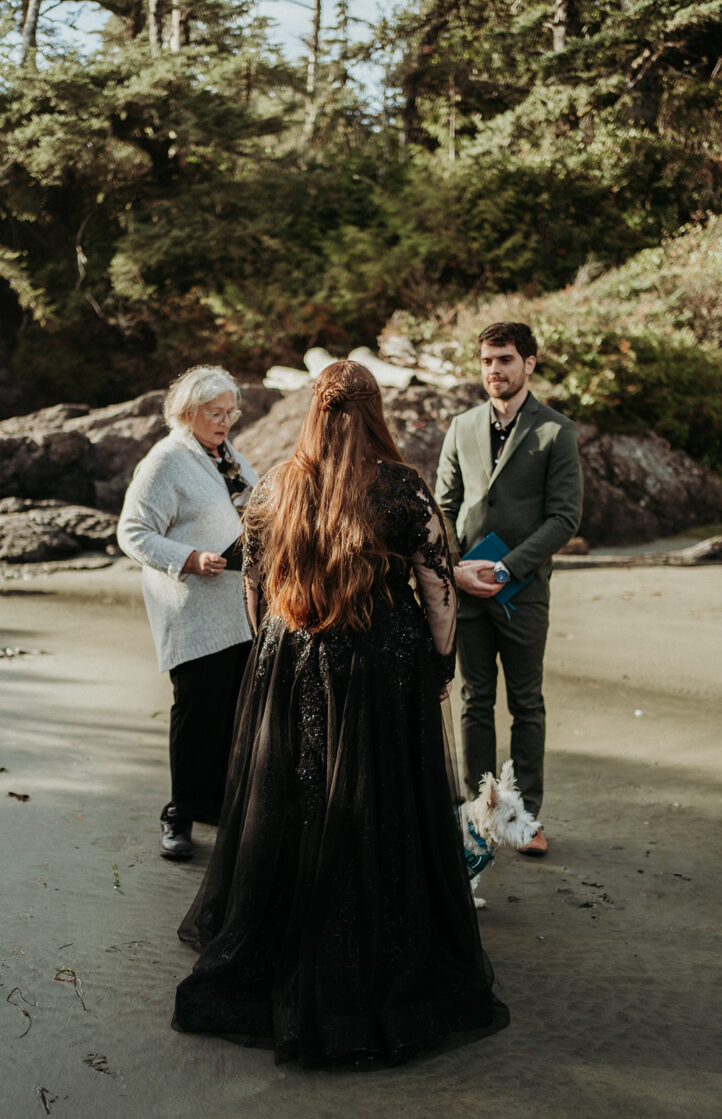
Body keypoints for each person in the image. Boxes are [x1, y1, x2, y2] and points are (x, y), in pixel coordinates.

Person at [173, 360, 508, 1067]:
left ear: (313, 416)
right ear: (374, 412)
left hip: (294, 657)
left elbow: (255, 589)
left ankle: (286, 931)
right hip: (382, 665)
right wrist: (440, 664)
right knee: (379, 799)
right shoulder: (400, 487)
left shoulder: (274, 485)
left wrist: (274, 655)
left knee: (299, 797)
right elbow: (437, 585)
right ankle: (380, 943)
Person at [434, 322, 582, 856]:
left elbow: (565, 517)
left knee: (526, 704)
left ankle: (529, 818)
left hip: (522, 592)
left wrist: (506, 569)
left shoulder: (556, 432)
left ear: (529, 364)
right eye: (487, 362)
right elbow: (442, 507)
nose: (494, 370)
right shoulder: (462, 425)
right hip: (468, 590)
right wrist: (456, 566)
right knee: (474, 702)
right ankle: (480, 816)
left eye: (504, 360)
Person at [117, 365, 259, 860]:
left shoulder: (228, 458)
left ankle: (216, 805)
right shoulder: (167, 460)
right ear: (186, 412)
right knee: (197, 711)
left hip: (240, 608)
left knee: (231, 714)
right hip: (193, 607)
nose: (225, 421)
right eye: (214, 413)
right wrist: (190, 559)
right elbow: (132, 532)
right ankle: (179, 814)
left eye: (230, 412)